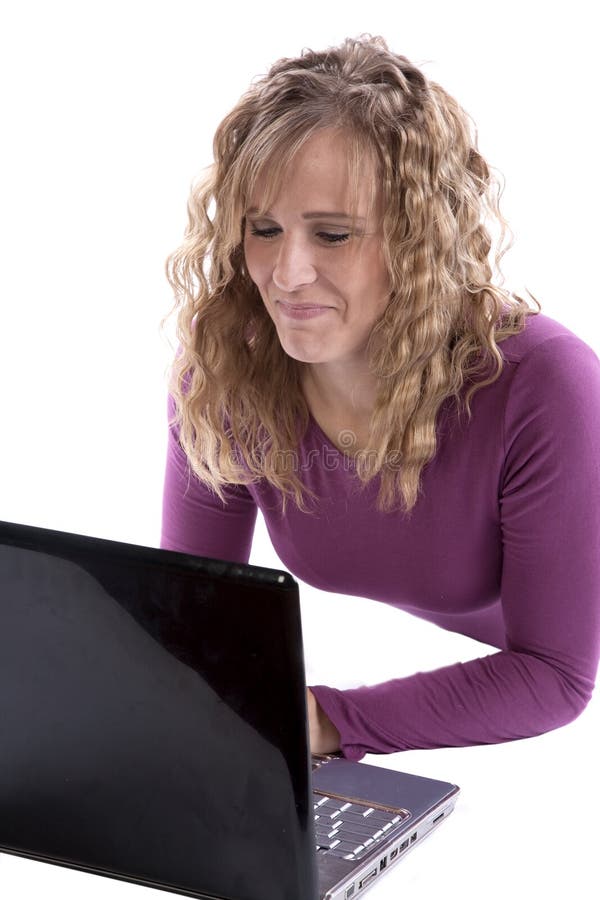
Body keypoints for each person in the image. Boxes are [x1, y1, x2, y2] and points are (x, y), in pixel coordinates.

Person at [160, 35, 600, 761]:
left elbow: (554, 675)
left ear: (419, 239)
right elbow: (195, 614)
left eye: (332, 234)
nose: (287, 274)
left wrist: (324, 720)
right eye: (264, 229)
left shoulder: (548, 389)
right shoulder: (225, 374)